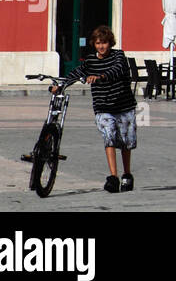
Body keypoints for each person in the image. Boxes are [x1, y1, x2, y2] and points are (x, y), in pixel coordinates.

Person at [54, 25, 137, 193]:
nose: (101, 46)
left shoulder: (119, 56)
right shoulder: (90, 61)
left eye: (104, 43)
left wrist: (100, 77)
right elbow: (76, 73)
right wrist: (61, 85)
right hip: (103, 107)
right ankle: (113, 177)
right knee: (109, 138)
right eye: (98, 43)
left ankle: (127, 174)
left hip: (124, 106)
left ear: (110, 43)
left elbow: (117, 70)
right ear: (94, 44)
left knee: (126, 143)